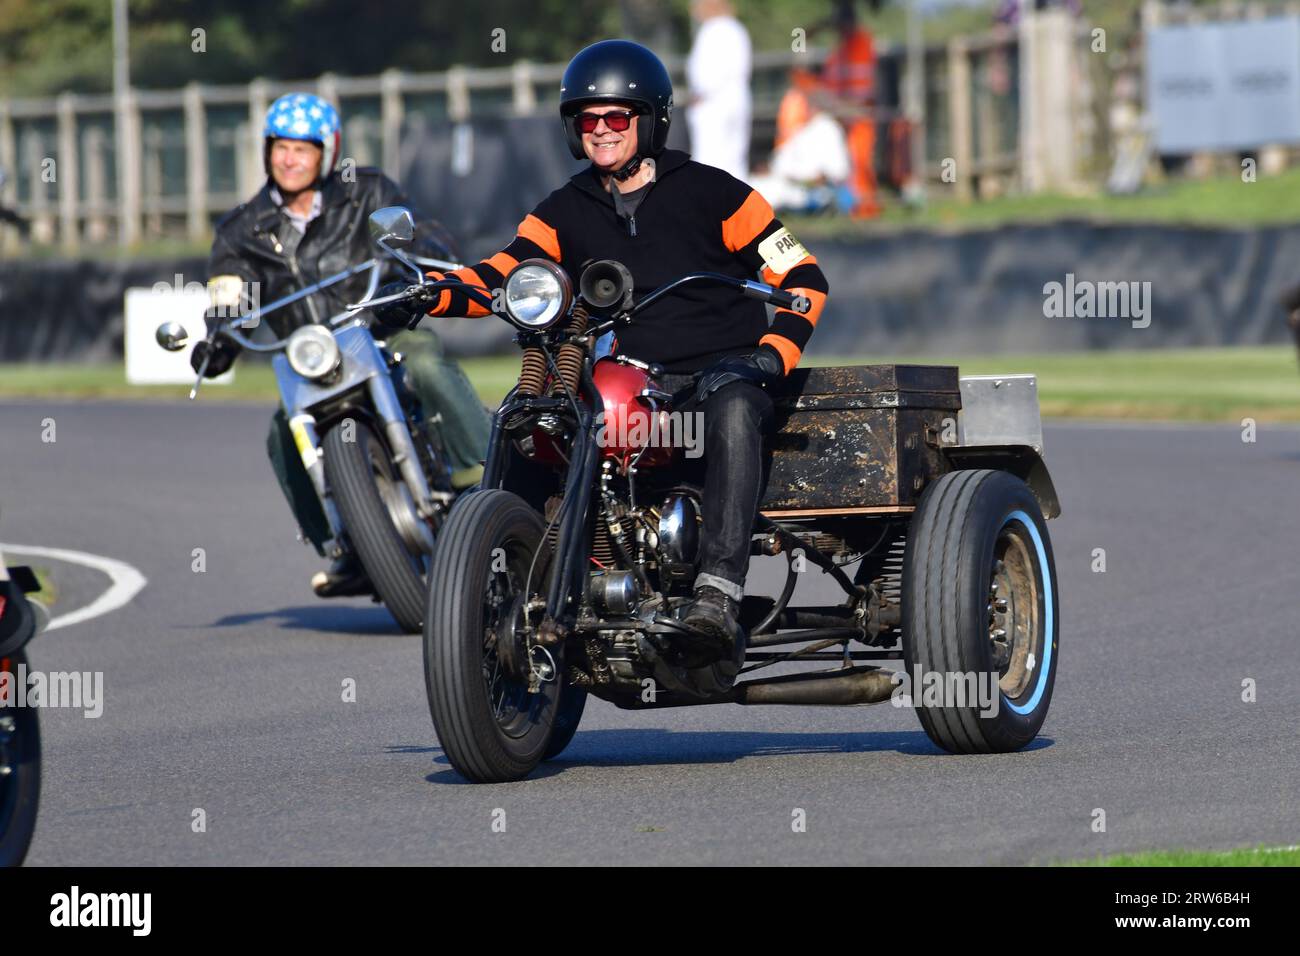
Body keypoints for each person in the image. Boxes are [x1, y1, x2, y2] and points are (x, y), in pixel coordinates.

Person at [375, 41, 828, 662]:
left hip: (719, 377)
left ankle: (718, 595)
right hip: (623, 379)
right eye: (588, 120)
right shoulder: (564, 209)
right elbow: (505, 274)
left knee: (734, 410)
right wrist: (428, 295)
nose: (602, 132)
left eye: (616, 117)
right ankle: (513, 577)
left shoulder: (720, 194)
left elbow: (803, 279)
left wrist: (770, 356)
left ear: (649, 121)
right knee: (530, 418)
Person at [194, 92, 491, 597]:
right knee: (281, 434)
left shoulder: (368, 193)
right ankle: (341, 546)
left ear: (328, 153)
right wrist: (218, 336)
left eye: (302, 150)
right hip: (308, 359)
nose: (289, 160)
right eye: (280, 148)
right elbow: (228, 290)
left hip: (379, 330)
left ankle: (487, 473)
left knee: (423, 358)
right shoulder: (241, 231)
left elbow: (418, 233)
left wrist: (427, 254)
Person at [686, 0, 752, 179]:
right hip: (738, 100)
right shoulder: (737, 29)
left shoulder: (711, 30)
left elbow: (706, 75)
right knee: (735, 157)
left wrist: (698, 96)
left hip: (713, 104)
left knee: (709, 158)